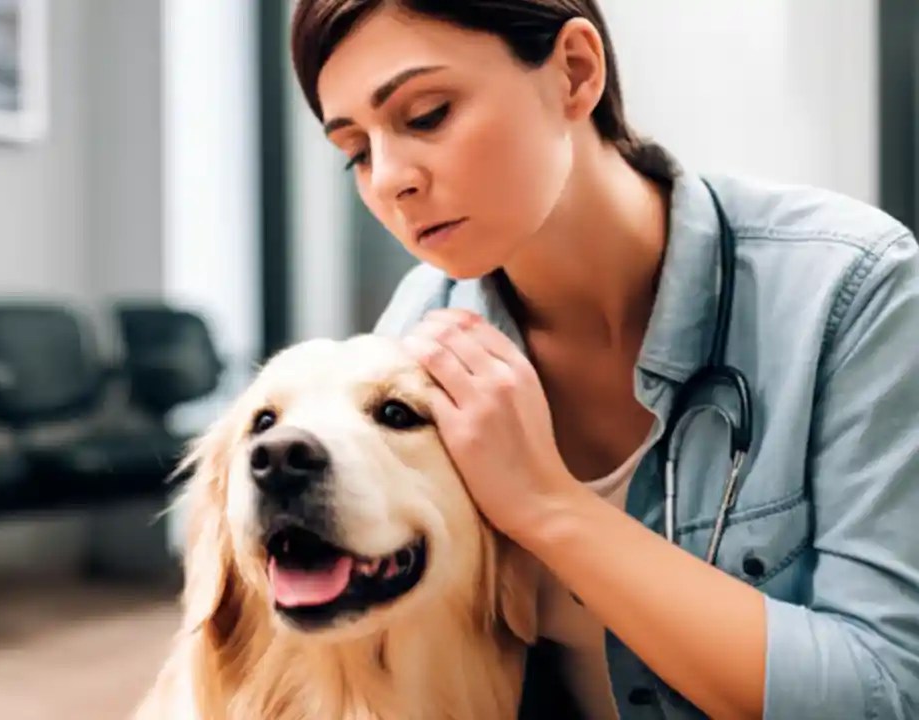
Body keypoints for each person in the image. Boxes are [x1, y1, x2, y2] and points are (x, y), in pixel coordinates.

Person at [289, 1, 919, 719]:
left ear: (575, 73)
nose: (390, 179)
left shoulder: (848, 288)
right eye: (357, 152)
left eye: (427, 114)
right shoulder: (411, 345)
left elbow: (886, 694)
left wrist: (547, 506)